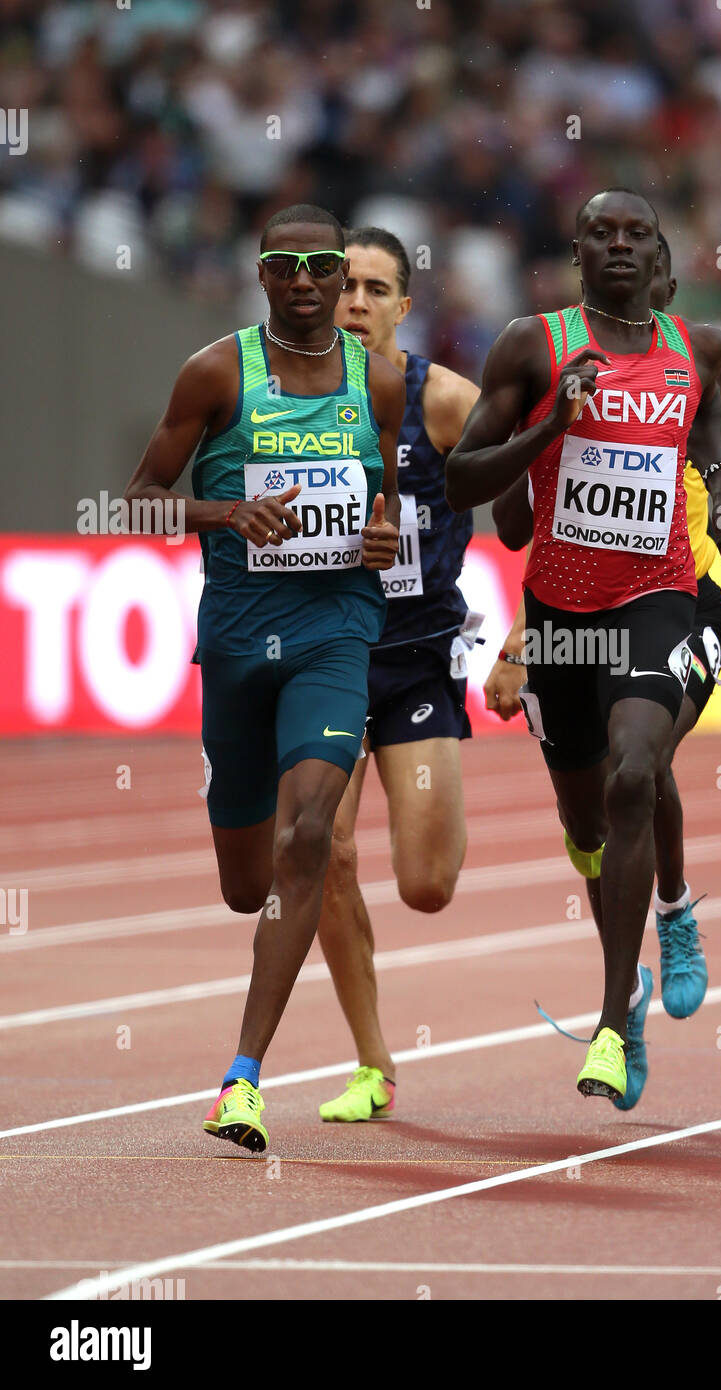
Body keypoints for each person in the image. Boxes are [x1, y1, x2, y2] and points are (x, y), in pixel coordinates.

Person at [445, 188, 721, 1104]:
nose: (619, 248)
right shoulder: (529, 347)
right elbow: (467, 481)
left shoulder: (698, 354)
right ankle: (637, 969)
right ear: (574, 255)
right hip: (558, 622)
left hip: (660, 600)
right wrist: (548, 426)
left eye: (637, 236)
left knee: (634, 771)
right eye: (599, 235)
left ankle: (623, 1009)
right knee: (587, 822)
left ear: (662, 255)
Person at [124, 204, 403, 1152]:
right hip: (240, 647)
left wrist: (381, 537)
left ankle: (242, 1078)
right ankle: (230, 793)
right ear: (262, 275)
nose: (305, 280)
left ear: (339, 275)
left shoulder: (383, 380)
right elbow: (129, 507)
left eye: (322, 265)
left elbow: (388, 511)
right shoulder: (216, 372)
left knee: (311, 836)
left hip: (335, 637)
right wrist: (221, 515)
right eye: (284, 265)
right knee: (248, 885)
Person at [314, 227, 481, 1122]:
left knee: (426, 885)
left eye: (376, 289)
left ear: (402, 307)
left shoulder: (447, 401)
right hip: (324, 654)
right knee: (326, 852)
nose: (355, 302)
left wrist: (530, 636)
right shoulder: (284, 400)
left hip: (418, 658)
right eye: (343, 286)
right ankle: (372, 1062)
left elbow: (538, 500)